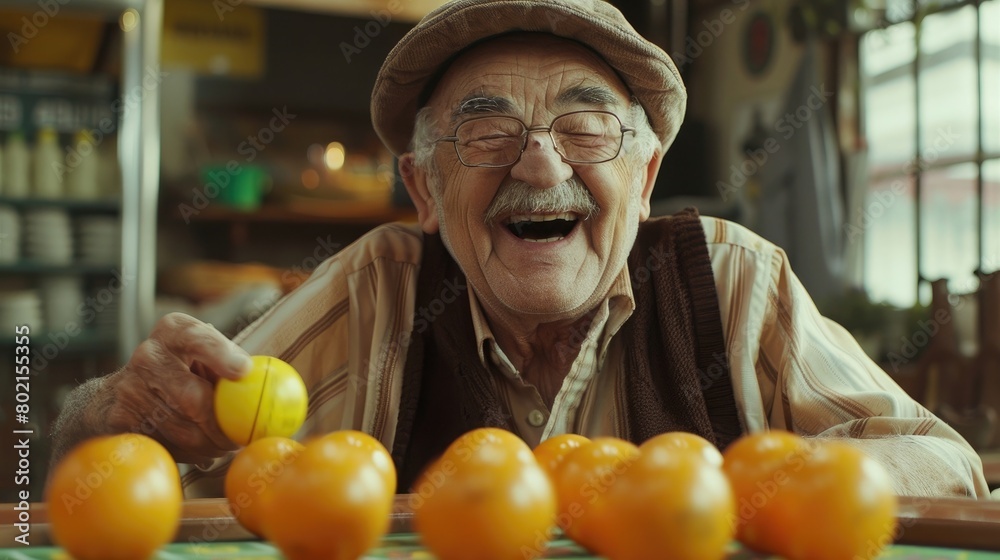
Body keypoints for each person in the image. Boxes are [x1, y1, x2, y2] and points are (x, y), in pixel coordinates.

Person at [50, 0, 988, 498]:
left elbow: (943, 464)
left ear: (648, 176)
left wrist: (773, 486)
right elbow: (111, 470)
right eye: (484, 131)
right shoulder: (381, 289)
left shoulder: (732, 278)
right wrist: (118, 417)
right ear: (424, 190)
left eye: (587, 127)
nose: (540, 160)